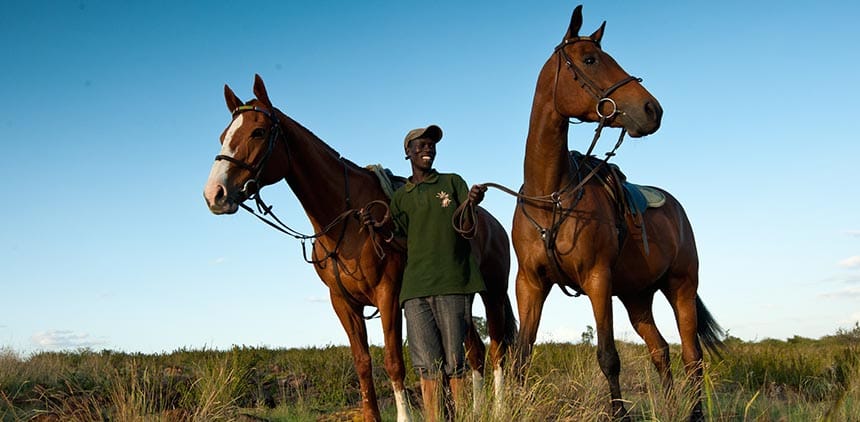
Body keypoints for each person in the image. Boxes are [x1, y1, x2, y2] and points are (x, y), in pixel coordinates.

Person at [362, 124, 487, 421]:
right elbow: (402, 239)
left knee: (455, 363)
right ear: (408, 153)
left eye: (431, 144)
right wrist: (380, 231)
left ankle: (458, 418)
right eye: (420, 145)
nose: (427, 148)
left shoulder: (453, 182)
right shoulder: (401, 198)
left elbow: (467, 227)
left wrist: (472, 203)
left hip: (453, 283)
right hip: (415, 290)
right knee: (426, 366)